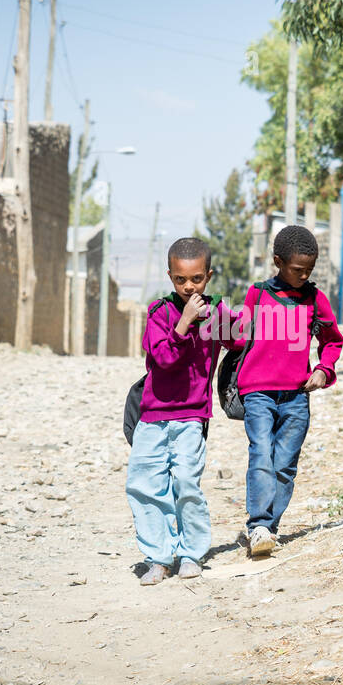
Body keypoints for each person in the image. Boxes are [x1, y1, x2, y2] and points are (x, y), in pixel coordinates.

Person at [126, 237, 241, 585]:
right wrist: (184, 322)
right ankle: (158, 558)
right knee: (145, 485)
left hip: (193, 417)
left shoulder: (216, 312)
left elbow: (241, 340)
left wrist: (230, 320)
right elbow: (162, 360)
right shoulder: (160, 313)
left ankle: (191, 554)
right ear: (170, 276)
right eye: (180, 279)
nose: (188, 286)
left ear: (208, 275)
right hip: (153, 416)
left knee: (187, 484)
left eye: (196, 279)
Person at [234, 225, 343, 557]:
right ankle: (258, 526)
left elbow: (332, 341)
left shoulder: (315, 299)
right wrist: (213, 324)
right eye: (298, 270)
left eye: (309, 269)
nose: (304, 275)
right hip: (258, 392)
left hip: (296, 396)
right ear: (278, 262)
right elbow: (239, 335)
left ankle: (270, 526)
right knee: (262, 454)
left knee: (285, 464)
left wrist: (324, 370)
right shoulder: (258, 294)